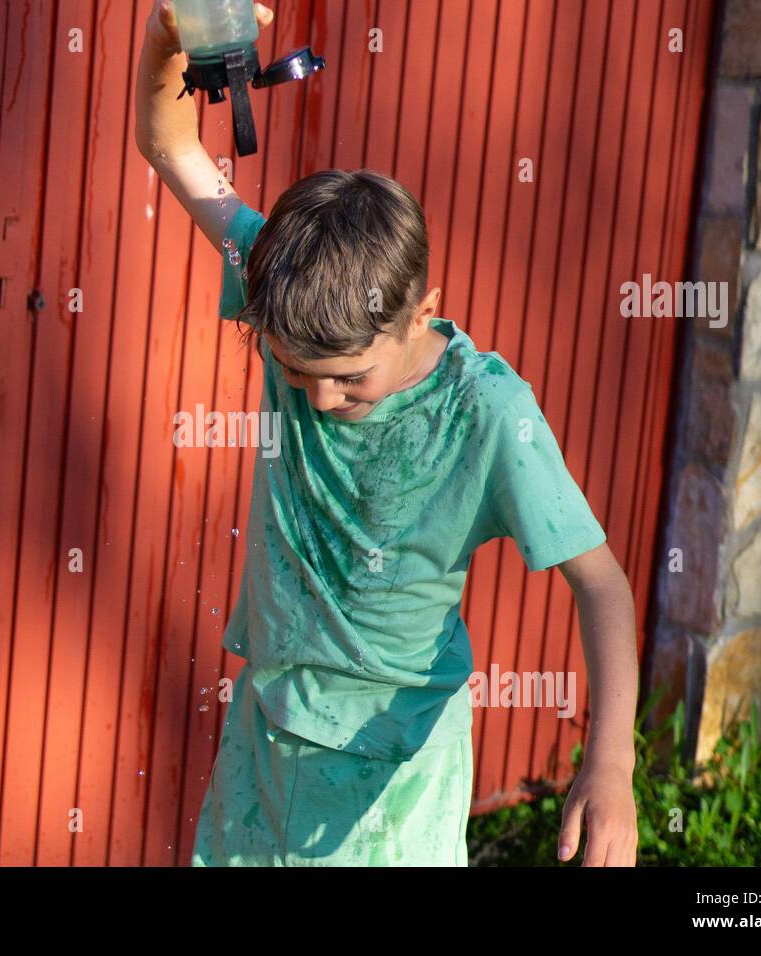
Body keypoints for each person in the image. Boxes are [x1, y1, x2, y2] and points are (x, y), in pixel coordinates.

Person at [135, 1, 639, 866]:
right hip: (269, 734)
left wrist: (613, 765)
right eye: (296, 374)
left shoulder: (487, 416)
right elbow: (173, 146)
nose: (322, 401)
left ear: (422, 314)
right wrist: (164, 40)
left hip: (395, 766)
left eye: (349, 378)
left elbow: (601, 586)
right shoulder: (279, 281)